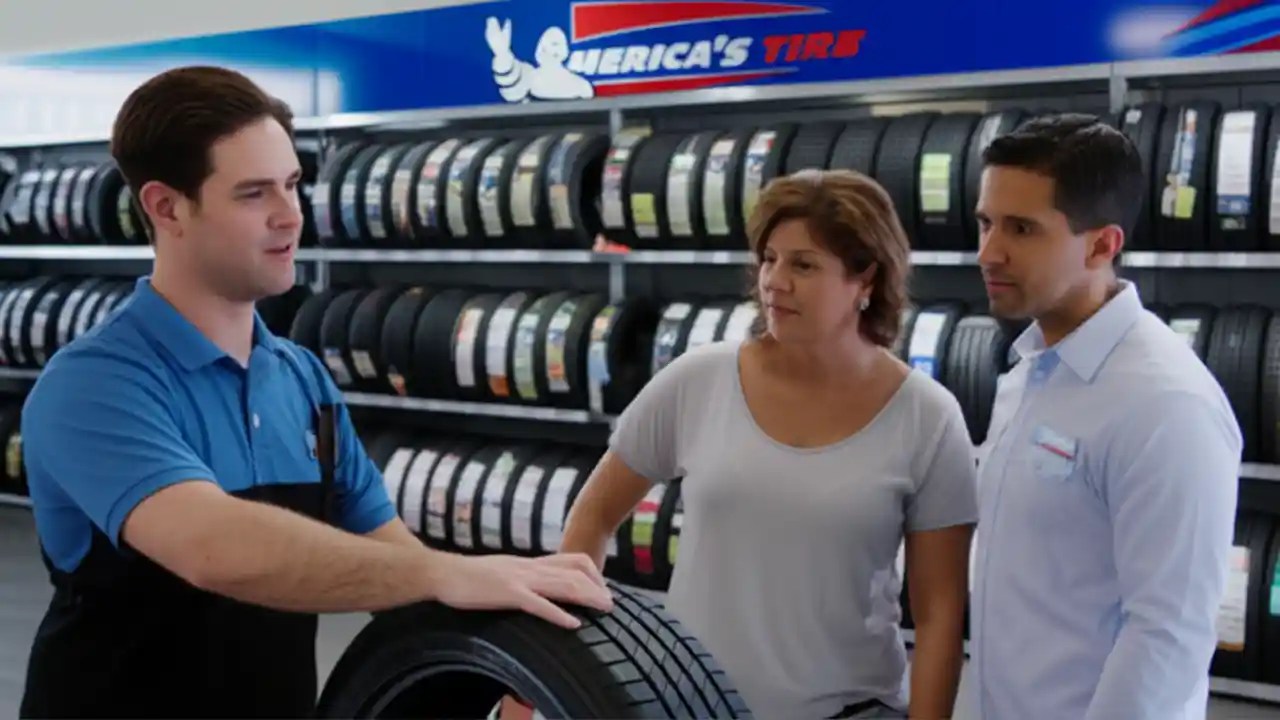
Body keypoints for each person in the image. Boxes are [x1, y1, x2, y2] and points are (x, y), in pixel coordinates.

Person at [17, 65, 612, 719]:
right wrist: (451, 571)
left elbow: (392, 567)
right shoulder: (95, 383)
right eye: (252, 194)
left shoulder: (300, 378)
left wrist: (510, 670)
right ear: (166, 207)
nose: (289, 216)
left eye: (293, 185)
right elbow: (216, 549)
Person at [560, 169, 978, 719]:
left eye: (803, 264)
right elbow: (590, 521)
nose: (775, 281)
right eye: (769, 259)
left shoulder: (928, 416)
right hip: (695, 708)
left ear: (866, 280)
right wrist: (572, 668)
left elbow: (941, 612)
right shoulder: (698, 380)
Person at [970, 113, 1241, 720]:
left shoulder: (1166, 405)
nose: (988, 251)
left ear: (1102, 244)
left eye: (1021, 229)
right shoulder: (1028, 371)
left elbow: (1168, 637)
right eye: (985, 222)